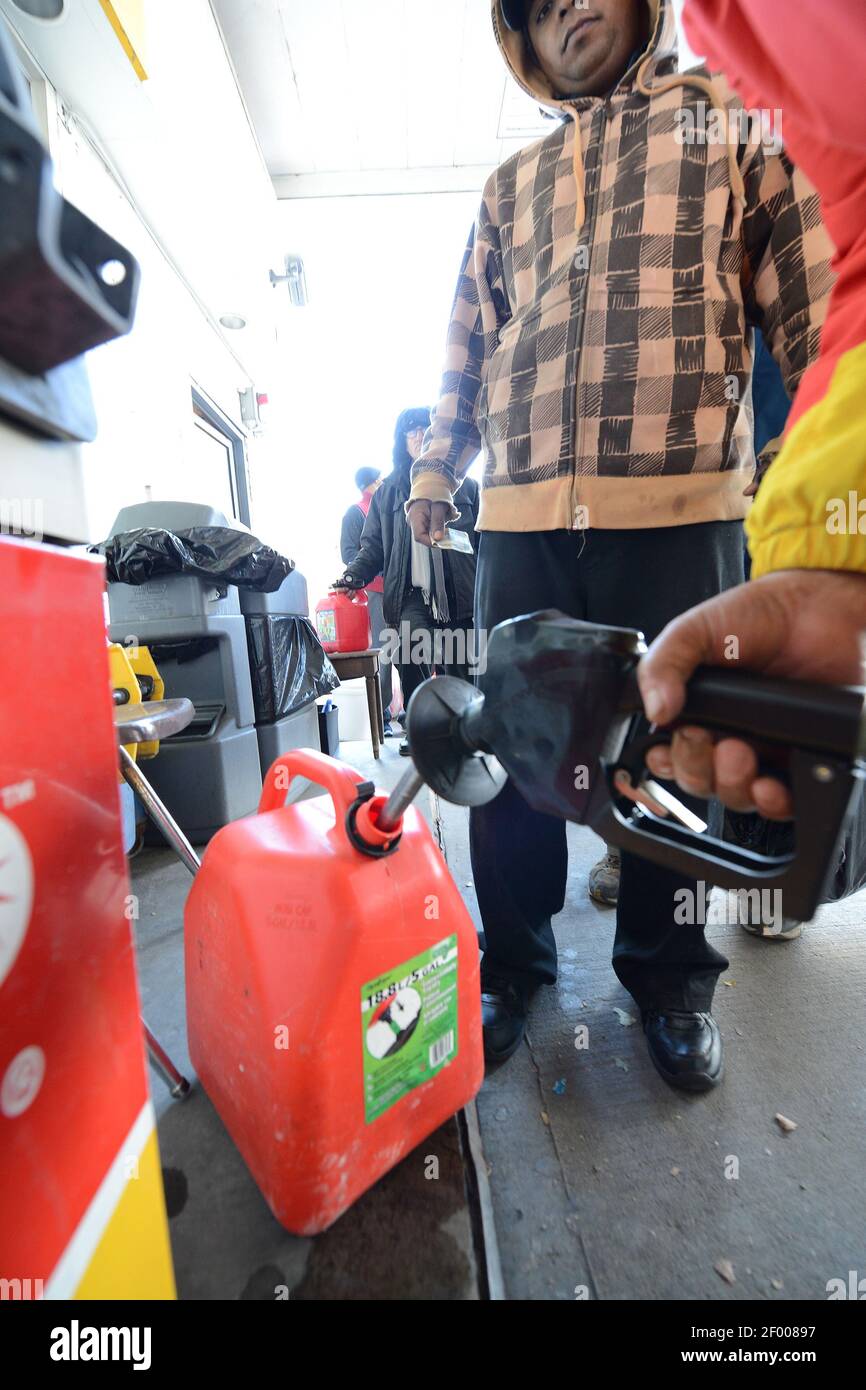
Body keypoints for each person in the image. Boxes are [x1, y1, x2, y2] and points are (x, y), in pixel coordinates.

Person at [406, 0, 834, 1090]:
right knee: (509, 756)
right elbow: (466, 336)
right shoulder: (509, 186)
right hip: (522, 512)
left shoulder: (728, 117)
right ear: (522, 45)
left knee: (667, 754)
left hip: (680, 505)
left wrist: (828, 470)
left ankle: (669, 979)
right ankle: (514, 964)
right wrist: (432, 470)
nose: (569, 12)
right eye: (539, 10)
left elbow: (813, 295)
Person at [636, 0, 866, 818]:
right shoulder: (733, 32)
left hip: (699, 498)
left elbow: (805, 292)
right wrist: (839, 562)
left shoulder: (720, 105)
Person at [336, 409, 479, 756]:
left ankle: (463, 731)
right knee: (411, 658)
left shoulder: (468, 487)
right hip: (409, 594)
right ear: (401, 441)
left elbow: (486, 541)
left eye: (425, 429)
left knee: (460, 666)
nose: (419, 436)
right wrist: (354, 575)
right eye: (411, 431)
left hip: (458, 594)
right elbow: (372, 547)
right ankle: (420, 732)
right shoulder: (389, 492)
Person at [341, 467, 394, 734]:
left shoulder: (390, 506)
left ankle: (409, 710)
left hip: (399, 588)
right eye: (378, 480)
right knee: (384, 651)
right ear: (369, 484)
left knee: (408, 650)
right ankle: (382, 717)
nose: (383, 483)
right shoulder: (356, 512)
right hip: (376, 591)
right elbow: (349, 552)